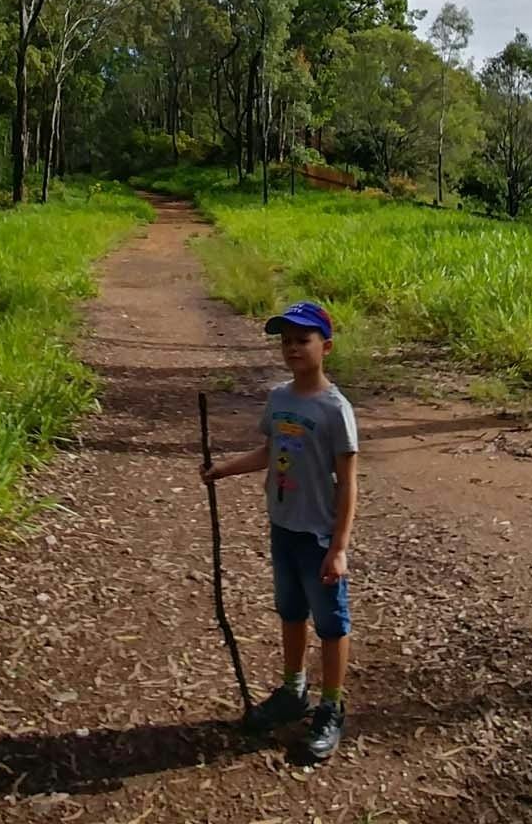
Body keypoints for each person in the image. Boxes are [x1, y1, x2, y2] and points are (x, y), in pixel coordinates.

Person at [200, 299, 359, 761]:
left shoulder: (336, 409)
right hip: (283, 526)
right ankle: (294, 691)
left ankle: (331, 706)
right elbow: (269, 453)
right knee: (290, 612)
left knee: (330, 622)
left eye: (302, 340)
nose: (292, 348)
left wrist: (340, 548)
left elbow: (348, 482)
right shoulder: (279, 398)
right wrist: (223, 470)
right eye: (286, 340)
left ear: (325, 347)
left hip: (319, 535)